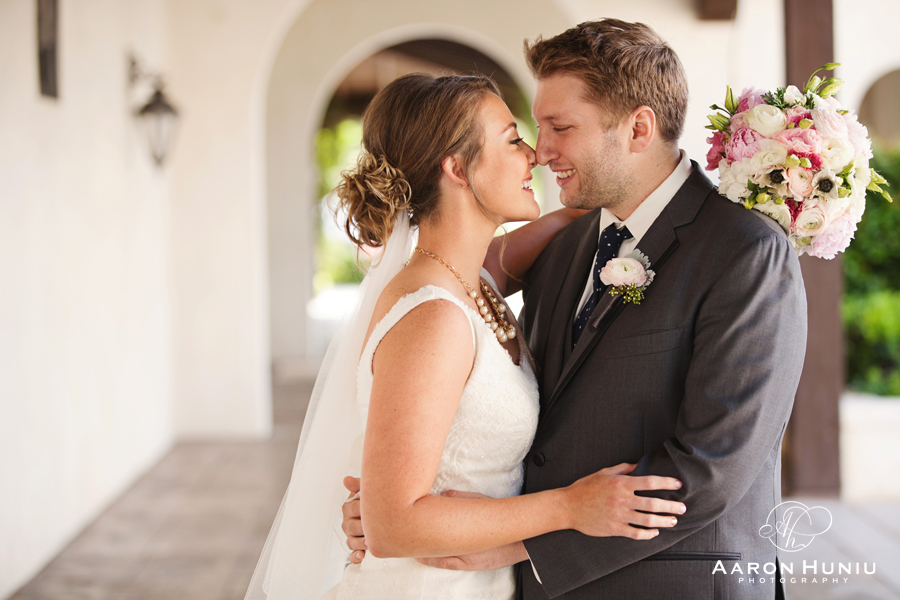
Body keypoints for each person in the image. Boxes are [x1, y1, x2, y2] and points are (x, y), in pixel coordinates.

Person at [343, 19, 808, 600]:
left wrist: (523, 543)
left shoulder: (744, 251)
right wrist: (407, 512)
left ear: (639, 128)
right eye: (531, 131)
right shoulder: (560, 248)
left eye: (560, 128)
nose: (542, 151)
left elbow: (712, 469)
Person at [244, 73, 686, 600]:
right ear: (456, 167)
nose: (535, 156)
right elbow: (391, 527)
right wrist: (570, 507)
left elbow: (586, 209)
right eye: (512, 138)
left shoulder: (474, 279)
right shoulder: (436, 317)